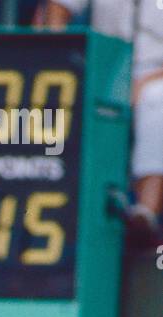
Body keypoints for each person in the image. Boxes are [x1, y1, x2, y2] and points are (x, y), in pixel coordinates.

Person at [37, 0, 163, 246]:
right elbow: (57, 10)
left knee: (158, 100)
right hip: (99, 66)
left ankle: (145, 213)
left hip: (155, 75)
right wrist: (58, 59)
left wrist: (142, 84)